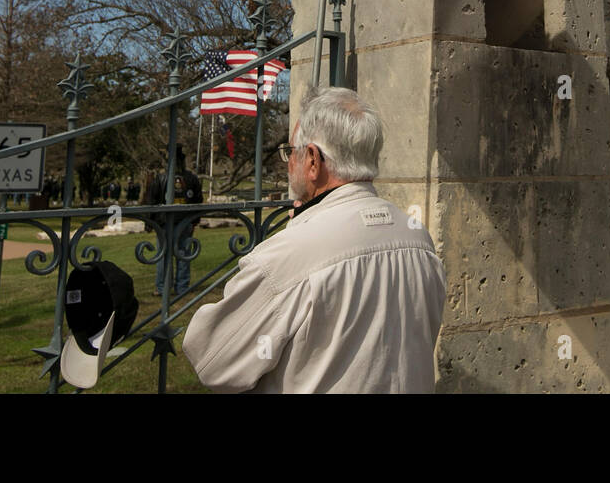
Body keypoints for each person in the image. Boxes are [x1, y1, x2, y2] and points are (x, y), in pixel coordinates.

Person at [183, 86, 447, 392]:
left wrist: (297, 236)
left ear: (312, 159)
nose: (288, 163)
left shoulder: (288, 255)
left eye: (290, 152)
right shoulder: (418, 238)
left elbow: (212, 360)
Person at [145, 147, 203, 296]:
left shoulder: (161, 178)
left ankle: (163, 287)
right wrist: (194, 221)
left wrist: (150, 222)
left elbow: (152, 201)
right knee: (183, 254)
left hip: (165, 222)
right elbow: (198, 202)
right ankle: (181, 287)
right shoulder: (191, 178)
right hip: (184, 221)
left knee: (164, 255)